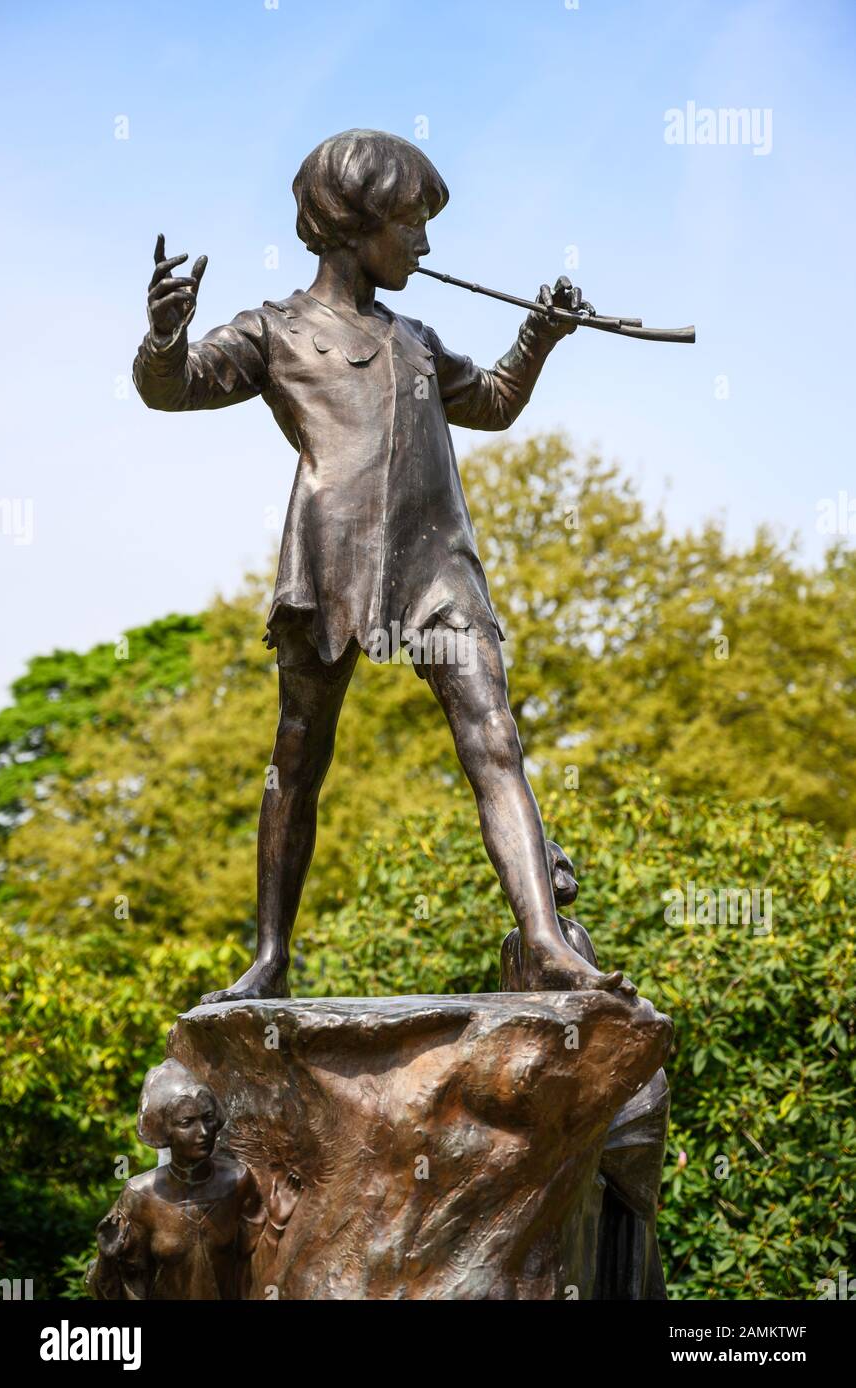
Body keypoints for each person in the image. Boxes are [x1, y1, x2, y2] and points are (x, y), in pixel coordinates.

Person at [133, 128, 633, 1001]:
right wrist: (165, 341)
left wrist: (541, 335)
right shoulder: (276, 330)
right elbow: (173, 388)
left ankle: (545, 941)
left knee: (495, 739)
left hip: (438, 565)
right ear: (354, 223)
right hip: (331, 562)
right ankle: (270, 959)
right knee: (298, 757)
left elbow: (495, 401)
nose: (425, 245)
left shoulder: (417, 340)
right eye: (411, 224)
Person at [87, 1060, 301, 1300]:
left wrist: (276, 1224)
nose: (203, 1132)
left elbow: (250, 1266)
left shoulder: (236, 1181)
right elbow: (126, 1284)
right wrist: (107, 1259)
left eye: (207, 1118)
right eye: (187, 1123)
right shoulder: (140, 1195)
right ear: (165, 1130)